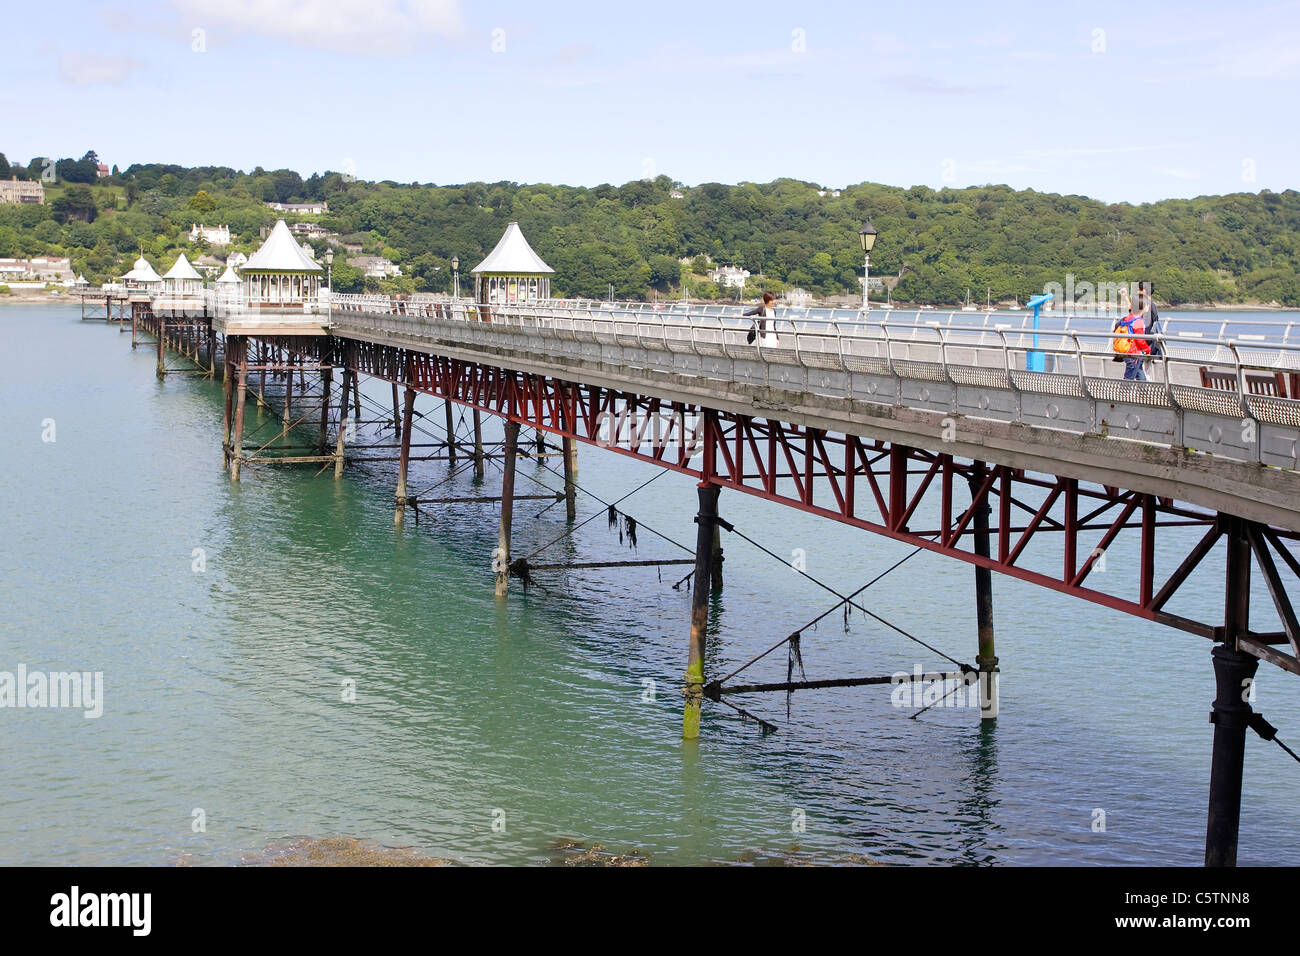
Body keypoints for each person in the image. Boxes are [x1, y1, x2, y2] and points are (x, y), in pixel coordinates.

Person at [1113, 291, 1151, 381]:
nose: (1149, 307)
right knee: (1129, 377)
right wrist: (1147, 349)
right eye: (1147, 305)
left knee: (1140, 373)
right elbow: (1140, 339)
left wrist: (1126, 297)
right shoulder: (1138, 321)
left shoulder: (1128, 318)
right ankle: (1124, 393)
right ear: (1142, 307)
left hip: (1126, 351)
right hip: (1134, 353)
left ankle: (1144, 393)